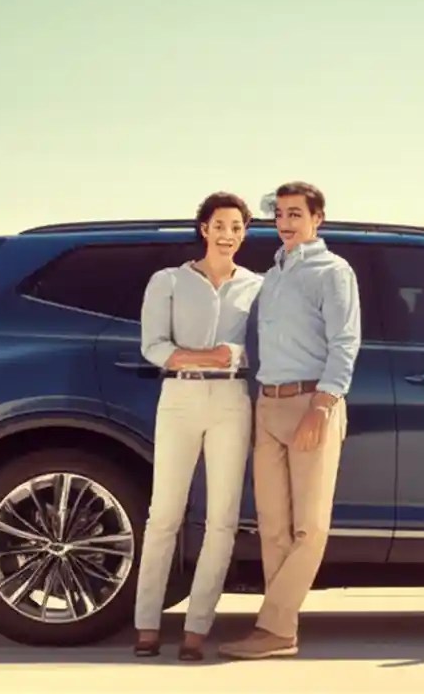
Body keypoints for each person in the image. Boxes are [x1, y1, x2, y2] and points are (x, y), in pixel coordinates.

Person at [218, 181, 361, 660]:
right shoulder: (274, 274)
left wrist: (322, 405)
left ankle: (273, 626)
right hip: (268, 404)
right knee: (273, 526)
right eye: (279, 214)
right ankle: (281, 630)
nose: (285, 223)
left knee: (309, 527)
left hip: (309, 403)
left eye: (295, 214)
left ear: (317, 218)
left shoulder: (333, 272)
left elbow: (345, 343)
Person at [132, 192, 264, 661]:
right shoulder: (168, 281)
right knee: (164, 514)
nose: (228, 235)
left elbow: (259, 348)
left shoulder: (257, 287)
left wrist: (229, 355)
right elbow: (154, 346)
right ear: (204, 229)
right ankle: (147, 624)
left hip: (232, 400)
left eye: (237, 227)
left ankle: (197, 628)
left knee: (222, 518)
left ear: (244, 234)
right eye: (220, 225)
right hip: (180, 398)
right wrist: (207, 357)